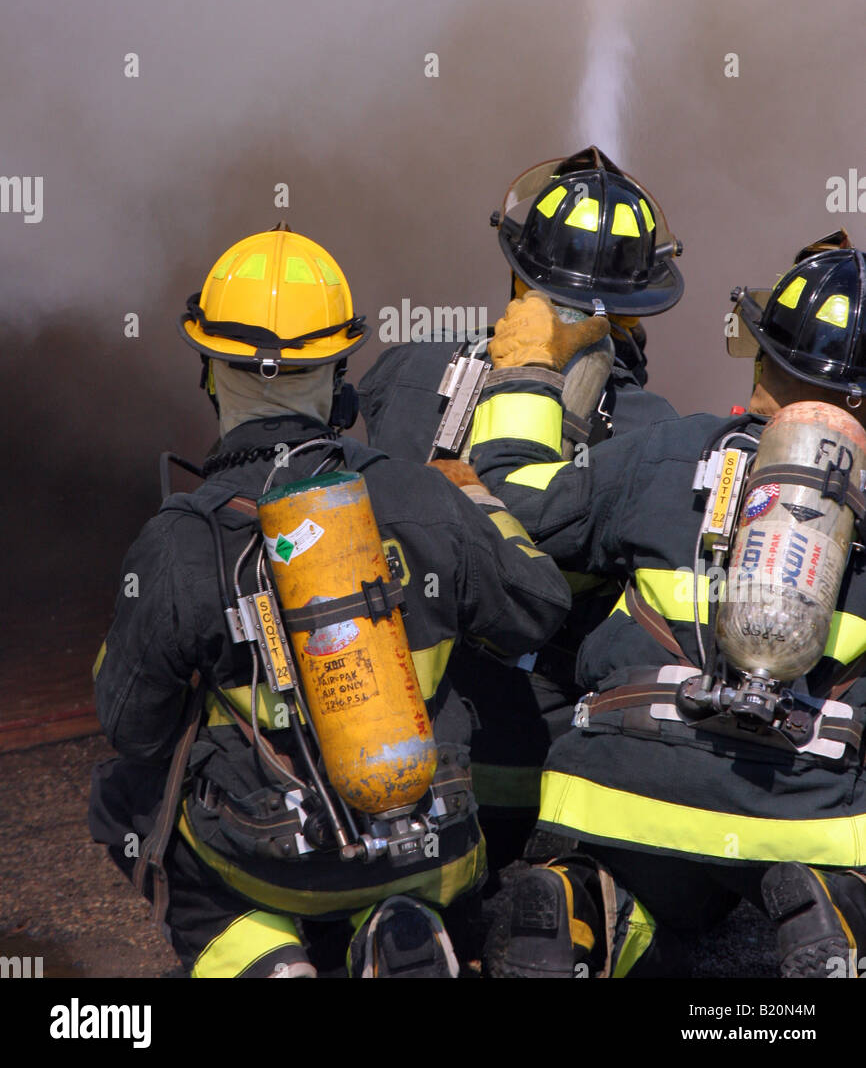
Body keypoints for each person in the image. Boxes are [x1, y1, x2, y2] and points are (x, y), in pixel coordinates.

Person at [88, 225, 572, 978]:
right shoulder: (420, 494)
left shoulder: (178, 539)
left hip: (268, 857)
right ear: (341, 373)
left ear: (209, 373)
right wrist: (478, 497)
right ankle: (399, 924)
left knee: (121, 793)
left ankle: (262, 954)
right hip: (432, 844)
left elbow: (131, 724)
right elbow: (537, 606)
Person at [469, 243, 866, 978]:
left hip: (614, 794)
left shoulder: (672, 449)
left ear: (759, 354)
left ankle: (583, 898)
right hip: (801, 815)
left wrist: (527, 370)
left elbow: (513, 498)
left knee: (626, 888)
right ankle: (835, 901)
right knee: (827, 862)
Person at [359, 149, 684, 869]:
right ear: (633, 307)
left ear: (518, 269)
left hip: (382, 767)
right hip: (537, 789)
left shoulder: (406, 371)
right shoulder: (656, 433)